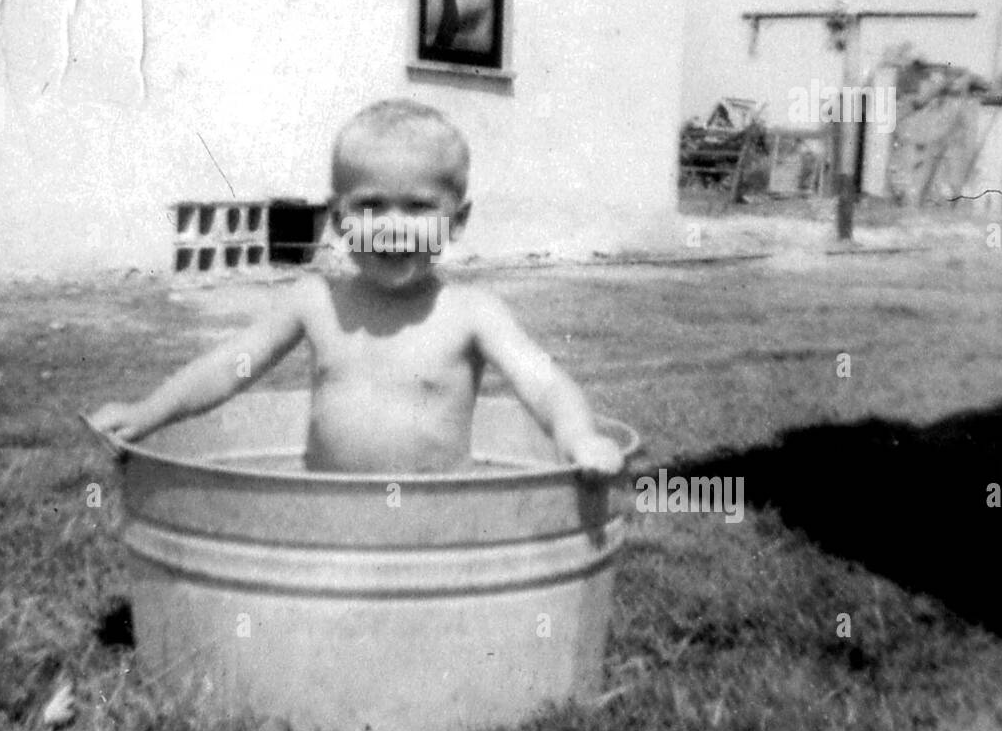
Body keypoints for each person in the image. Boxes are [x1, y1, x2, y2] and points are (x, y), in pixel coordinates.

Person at [89, 99, 625, 477]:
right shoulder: (315, 301)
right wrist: (146, 413)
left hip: (439, 523)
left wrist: (577, 438)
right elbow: (229, 366)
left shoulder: (471, 314)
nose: (391, 226)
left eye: (418, 207)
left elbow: (545, 385)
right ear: (339, 220)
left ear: (457, 222)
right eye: (370, 206)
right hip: (330, 516)